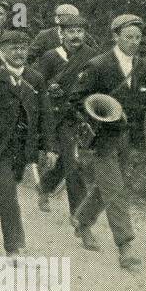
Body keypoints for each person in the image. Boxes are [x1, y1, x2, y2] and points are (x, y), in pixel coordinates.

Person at [68, 14, 146, 269]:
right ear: (115, 36)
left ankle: (82, 220)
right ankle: (125, 246)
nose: (134, 42)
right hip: (103, 138)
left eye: (138, 38)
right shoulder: (98, 65)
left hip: (131, 139)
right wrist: (95, 112)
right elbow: (75, 98)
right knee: (116, 190)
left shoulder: (145, 67)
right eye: (129, 37)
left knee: (110, 186)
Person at [0, 29, 52, 259]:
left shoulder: (36, 79)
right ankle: (14, 246)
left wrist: (49, 147)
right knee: (8, 192)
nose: (19, 53)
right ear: (2, 51)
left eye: (23, 48)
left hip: (23, 148)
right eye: (13, 48)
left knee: (5, 190)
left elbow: (45, 114)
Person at [34, 13, 91, 215]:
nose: (76, 35)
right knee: (67, 159)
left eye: (80, 31)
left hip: (74, 115)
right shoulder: (51, 56)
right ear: (63, 34)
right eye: (71, 31)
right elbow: (38, 82)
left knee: (71, 161)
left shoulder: (91, 56)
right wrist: (50, 87)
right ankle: (48, 189)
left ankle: (76, 211)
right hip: (52, 114)